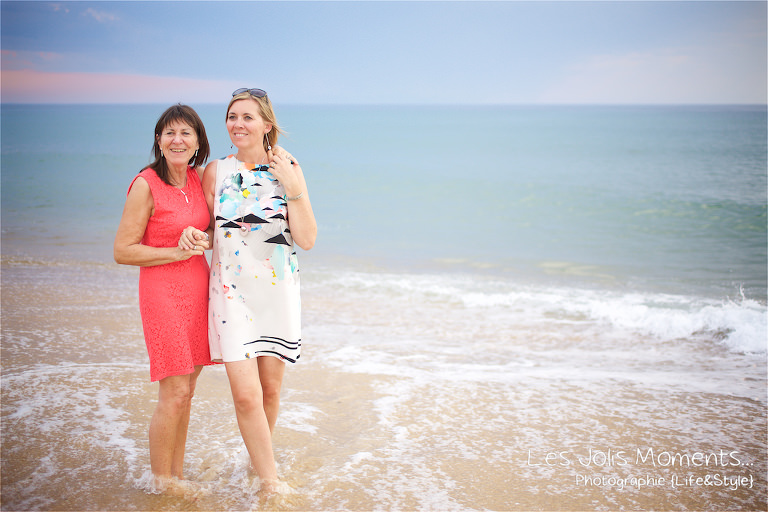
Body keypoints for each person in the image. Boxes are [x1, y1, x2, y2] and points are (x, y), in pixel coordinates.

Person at [181, 88, 316, 492]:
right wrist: (194, 234)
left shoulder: (288, 166)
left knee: (270, 391)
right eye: (232, 116)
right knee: (246, 397)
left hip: (277, 293)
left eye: (247, 117)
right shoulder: (216, 172)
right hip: (230, 294)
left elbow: (306, 239)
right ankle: (271, 484)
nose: (238, 124)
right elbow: (208, 229)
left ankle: (258, 469)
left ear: (267, 125)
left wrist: (293, 185)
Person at [114, 104, 213, 492]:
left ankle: (177, 476)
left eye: (186, 133)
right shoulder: (145, 184)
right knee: (172, 391)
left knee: (187, 392)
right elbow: (123, 250)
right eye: (169, 133)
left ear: (197, 143)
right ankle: (160, 481)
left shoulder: (198, 178)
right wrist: (175, 251)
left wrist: (200, 239)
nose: (177, 140)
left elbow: (210, 229)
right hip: (162, 293)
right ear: (158, 140)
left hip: (198, 289)